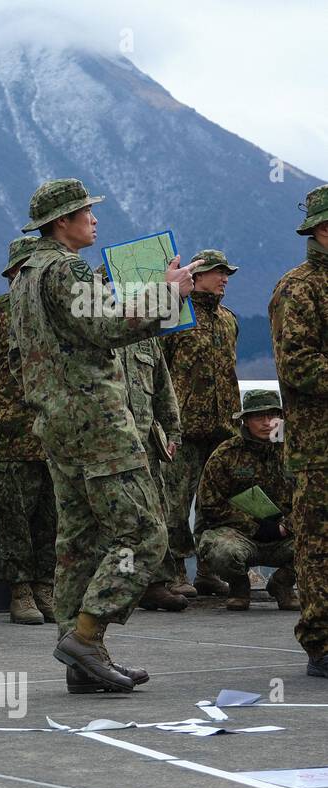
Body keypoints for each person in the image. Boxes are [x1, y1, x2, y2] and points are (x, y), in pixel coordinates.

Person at [9, 178, 194, 693]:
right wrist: (170, 294)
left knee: (80, 541)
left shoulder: (27, 273)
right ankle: (86, 637)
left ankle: (82, 664)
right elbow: (105, 325)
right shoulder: (65, 267)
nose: (93, 218)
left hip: (58, 422)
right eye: (86, 211)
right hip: (95, 421)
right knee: (145, 533)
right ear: (62, 221)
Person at [0, 236, 56, 625]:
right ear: (14, 274)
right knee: (14, 515)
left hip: (55, 434)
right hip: (12, 435)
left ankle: (47, 586)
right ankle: (20, 591)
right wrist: (4, 411)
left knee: (53, 517)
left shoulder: (56, 313)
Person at [270, 184, 328, 676]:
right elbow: (298, 366)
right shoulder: (300, 288)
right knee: (319, 549)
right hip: (319, 446)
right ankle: (322, 644)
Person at [161, 249, 241, 597]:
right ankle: (175, 570)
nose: (224, 279)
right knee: (176, 501)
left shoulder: (228, 320)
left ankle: (208, 569)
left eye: (227, 273)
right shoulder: (175, 316)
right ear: (199, 275)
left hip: (224, 427)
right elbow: (158, 369)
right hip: (185, 426)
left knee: (214, 503)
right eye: (218, 272)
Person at [195, 389, 298, 612]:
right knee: (220, 549)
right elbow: (210, 505)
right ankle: (239, 587)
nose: (267, 423)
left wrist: (284, 528)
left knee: (319, 541)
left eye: (273, 416)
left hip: (284, 535)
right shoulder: (226, 454)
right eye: (259, 417)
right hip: (240, 535)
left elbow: (313, 498)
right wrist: (254, 527)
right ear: (245, 421)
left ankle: (282, 584)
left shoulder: (295, 451)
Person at [117, 315, 186, 613]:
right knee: (117, 517)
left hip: (146, 442)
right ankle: (117, 586)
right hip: (111, 443)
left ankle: (156, 584)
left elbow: (163, 387)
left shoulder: (146, 336)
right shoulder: (95, 331)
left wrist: (173, 431)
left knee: (156, 513)